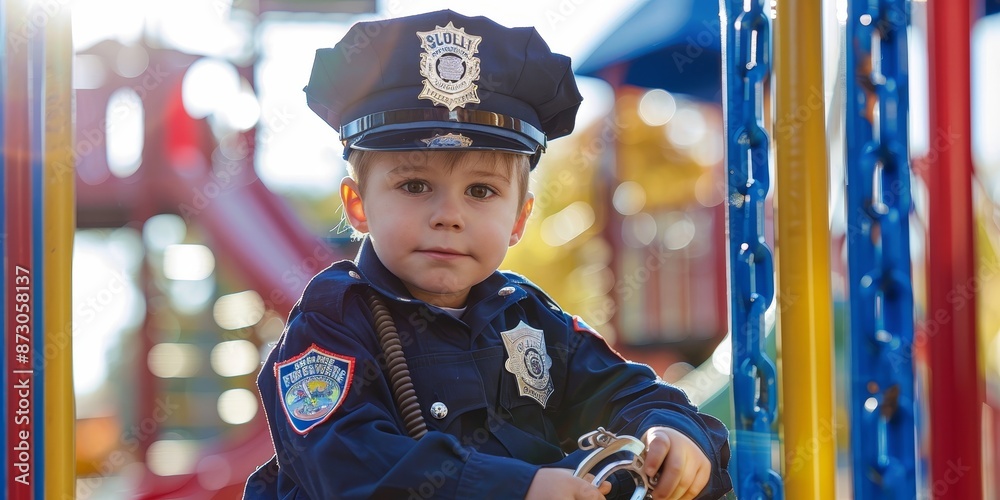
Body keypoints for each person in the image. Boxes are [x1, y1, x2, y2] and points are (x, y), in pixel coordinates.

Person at [244, 9, 732, 500]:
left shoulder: (531, 318)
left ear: (519, 218)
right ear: (358, 205)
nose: (448, 215)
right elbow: (346, 462)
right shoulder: (333, 323)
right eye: (415, 185)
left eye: (480, 191)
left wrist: (673, 434)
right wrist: (516, 488)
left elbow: (630, 391)